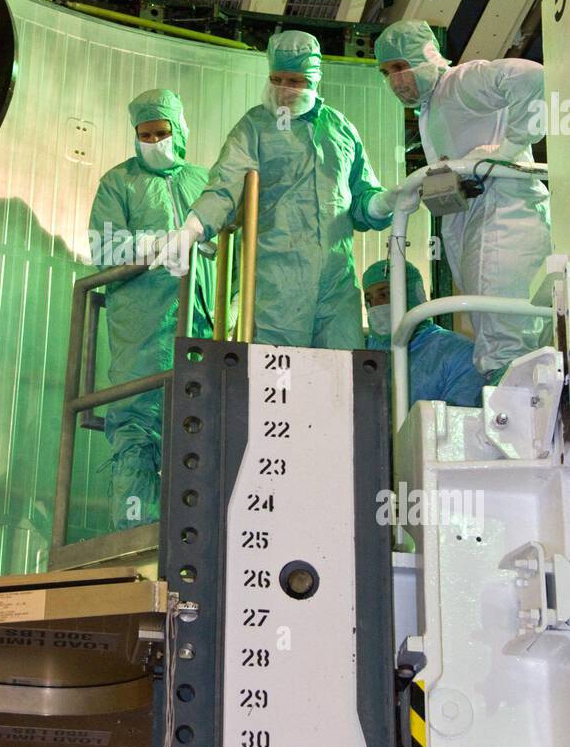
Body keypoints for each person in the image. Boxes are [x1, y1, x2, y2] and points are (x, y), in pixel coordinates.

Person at [151, 29, 397, 349]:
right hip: (276, 285)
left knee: (340, 378)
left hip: (337, 288)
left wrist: (384, 202)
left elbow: (362, 200)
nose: (284, 91)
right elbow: (225, 184)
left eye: (295, 82)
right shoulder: (254, 126)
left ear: (314, 79)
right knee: (278, 384)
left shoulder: (341, 130)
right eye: (277, 79)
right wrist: (192, 228)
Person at [374, 20, 551, 381]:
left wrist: (507, 151)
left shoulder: (459, 83)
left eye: (399, 67)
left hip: (506, 217)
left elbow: (534, 78)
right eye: (386, 72)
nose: (395, 80)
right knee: (503, 340)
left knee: (508, 344)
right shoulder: (433, 108)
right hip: (482, 221)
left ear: (425, 56)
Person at [88, 89, 215, 531]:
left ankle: (193, 536)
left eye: (162, 132)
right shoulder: (119, 182)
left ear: (179, 131)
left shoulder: (205, 181)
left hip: (202, 324)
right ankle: (136, 543)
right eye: (145, 135)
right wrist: (154, 245)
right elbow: (103, 247)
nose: (155, 141)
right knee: (136, 435)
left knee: (200, 430)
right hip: (141, 328)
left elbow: (231, 237)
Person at [363, 258, 486, 407]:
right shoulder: (365, 351)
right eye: (369, 300)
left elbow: (460, 422)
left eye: (384, 295)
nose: (375, 307)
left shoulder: (458, 353)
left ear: (411, 295)